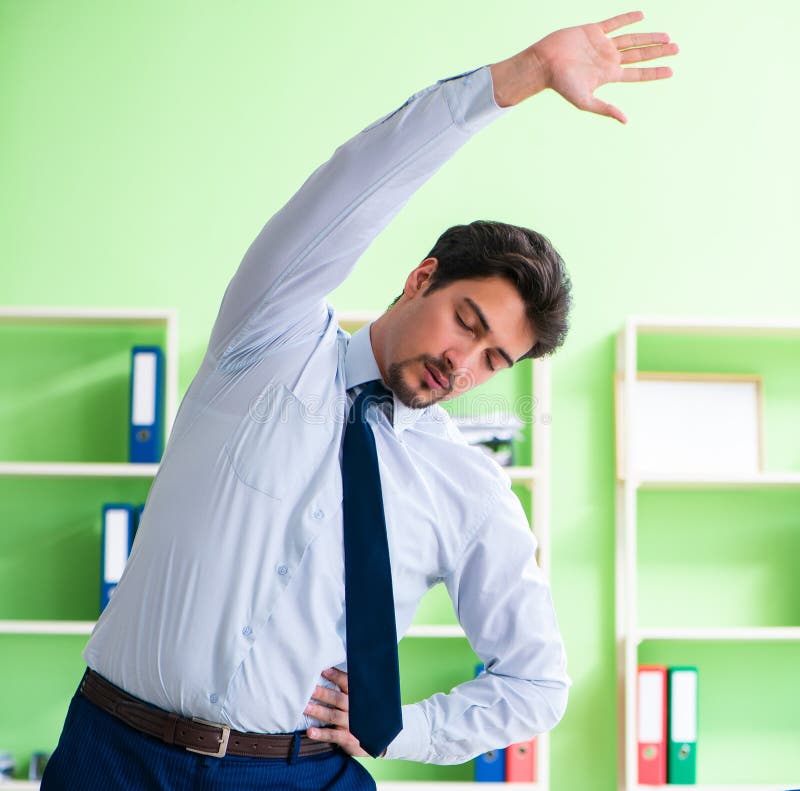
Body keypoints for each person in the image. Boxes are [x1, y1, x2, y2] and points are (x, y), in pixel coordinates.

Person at [41, 10, 677, 790]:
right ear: (421, 277)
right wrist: (516, 79)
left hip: (299, 774)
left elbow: (536, 681)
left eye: (493, 358)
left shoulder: (468, 487)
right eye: (465, 321)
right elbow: (352, 186)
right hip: (117, 754)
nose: (461, 361)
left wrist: (405, 725)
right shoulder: (267, 339)